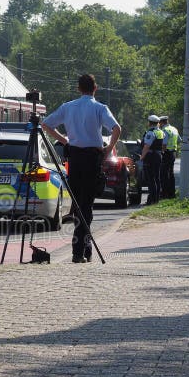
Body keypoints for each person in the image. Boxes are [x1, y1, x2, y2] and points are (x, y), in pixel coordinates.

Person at [41, 73, 121, 263]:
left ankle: (84, 250)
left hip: (74, 157)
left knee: (79, 206)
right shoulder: (100, 108)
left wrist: (65, 141)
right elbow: (116, 128)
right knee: (87, 206)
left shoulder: (68, 107)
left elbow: (46, 125)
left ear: (78, 88)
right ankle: (81, 251)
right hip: (93, 158)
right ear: (95, 88)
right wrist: (108, 148)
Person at [139, 114, 164, 204]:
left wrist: (142, 157)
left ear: (150, 123)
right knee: (157, 178)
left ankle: (151, 200)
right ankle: (156, 199)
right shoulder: (160, 132)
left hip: (151, 157)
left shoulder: (150, 132)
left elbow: (146, 146)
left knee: (150, 178)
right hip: (158, 155)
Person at [159, 115, 180, 198]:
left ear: (162, 122)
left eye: (159, 122)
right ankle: (172, 193)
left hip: (166, 153)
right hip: (173, 153)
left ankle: (165, 194)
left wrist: (162, 152)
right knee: (171, 173)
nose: (159, 124)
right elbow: (179, 140)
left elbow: (164, 144)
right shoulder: (174, 129)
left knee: (164, 174)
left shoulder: (165, 130)